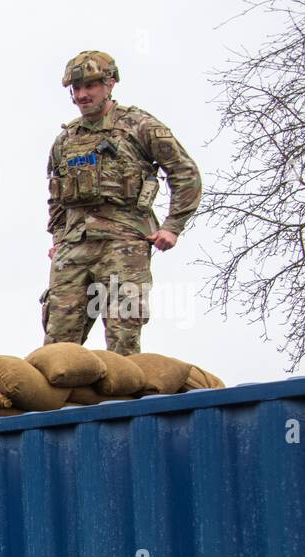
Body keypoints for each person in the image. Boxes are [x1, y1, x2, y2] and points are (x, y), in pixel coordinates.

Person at [44, 50, 202, 355]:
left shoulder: (139, 125)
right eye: (76, 89)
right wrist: (59, 239)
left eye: (90, 86)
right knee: (57, 348)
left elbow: (185, 172)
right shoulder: (65, 140)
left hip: (124, 241)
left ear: (110, 83)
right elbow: (56, 198)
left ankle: (123, 400)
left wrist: (172, 226)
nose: (82, 95)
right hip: (74, 246)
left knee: (123, 338)